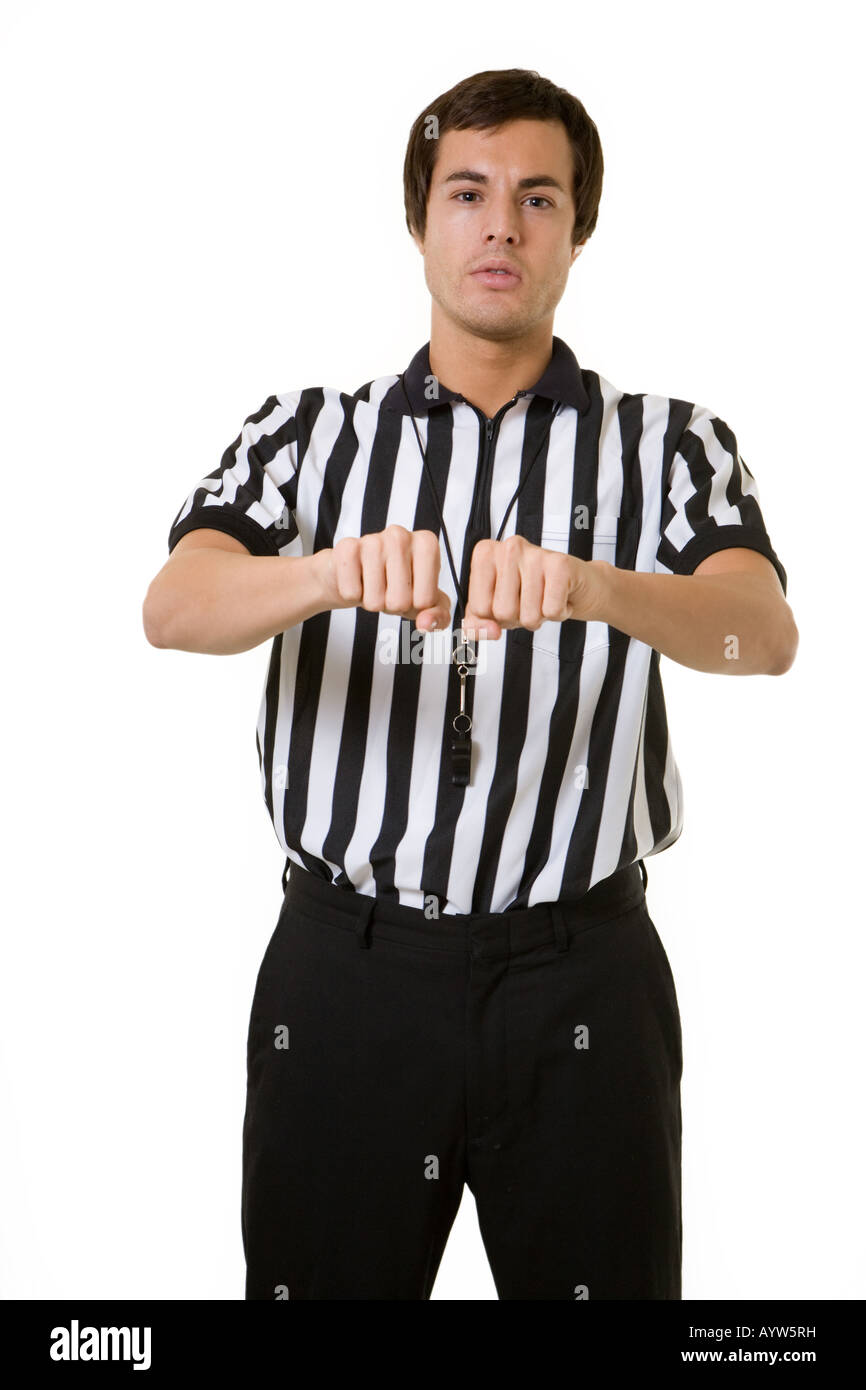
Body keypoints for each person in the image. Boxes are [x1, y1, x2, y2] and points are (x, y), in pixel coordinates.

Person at [142, 68, 798, 1300]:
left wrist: (597, 587)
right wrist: (330, 573)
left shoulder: (668, 443)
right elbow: (174, 609)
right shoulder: (304, 433)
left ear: (574, 231)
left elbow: (758, 636)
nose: (500, 223)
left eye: (536, 196)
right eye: (468, 191)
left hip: (581, 976)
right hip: (348, 973)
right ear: (420, 220)